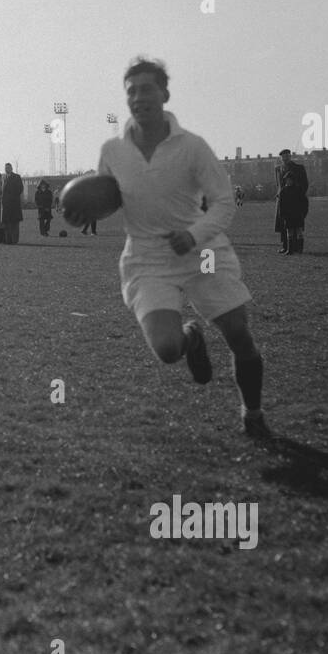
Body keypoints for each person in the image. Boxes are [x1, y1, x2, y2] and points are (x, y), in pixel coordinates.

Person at [75, 56, 270, 439]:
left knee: (239, 337)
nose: (138, 97)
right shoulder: (112, 152)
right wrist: (85, 211)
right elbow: (105, 197)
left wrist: (195, 235)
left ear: (165, 93)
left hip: (204, 253)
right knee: (166, 349)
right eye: (131, 91)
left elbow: (224, 202)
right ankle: (191, 336)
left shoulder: (192, 147)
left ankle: (253, 412)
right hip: (148, 259)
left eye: (147, 89)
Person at [274, 149, 309, 254]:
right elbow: (279, 185)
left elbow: (305, 184)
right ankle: (286, 246)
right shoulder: (279, 169)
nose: (285, 158)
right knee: (284, 224)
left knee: (296, 226)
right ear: (281, 158)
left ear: (290, 156)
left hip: (295, 201)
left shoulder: (298, 168)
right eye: (283, 157)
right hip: (283, 200)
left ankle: (297, 248)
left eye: (287, 156)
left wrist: (298, 196)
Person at [1, 162, 24, 244]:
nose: (7, 169)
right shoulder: (4, 178)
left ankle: (15, 241)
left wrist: (12, 197)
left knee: (14, 224)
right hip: (6, 206)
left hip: (14, 205)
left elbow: (20, 189)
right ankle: (8, 240)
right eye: (5, 168)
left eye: (8, 168)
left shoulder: (17, 177)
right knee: (6, 224)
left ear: (11, 168)